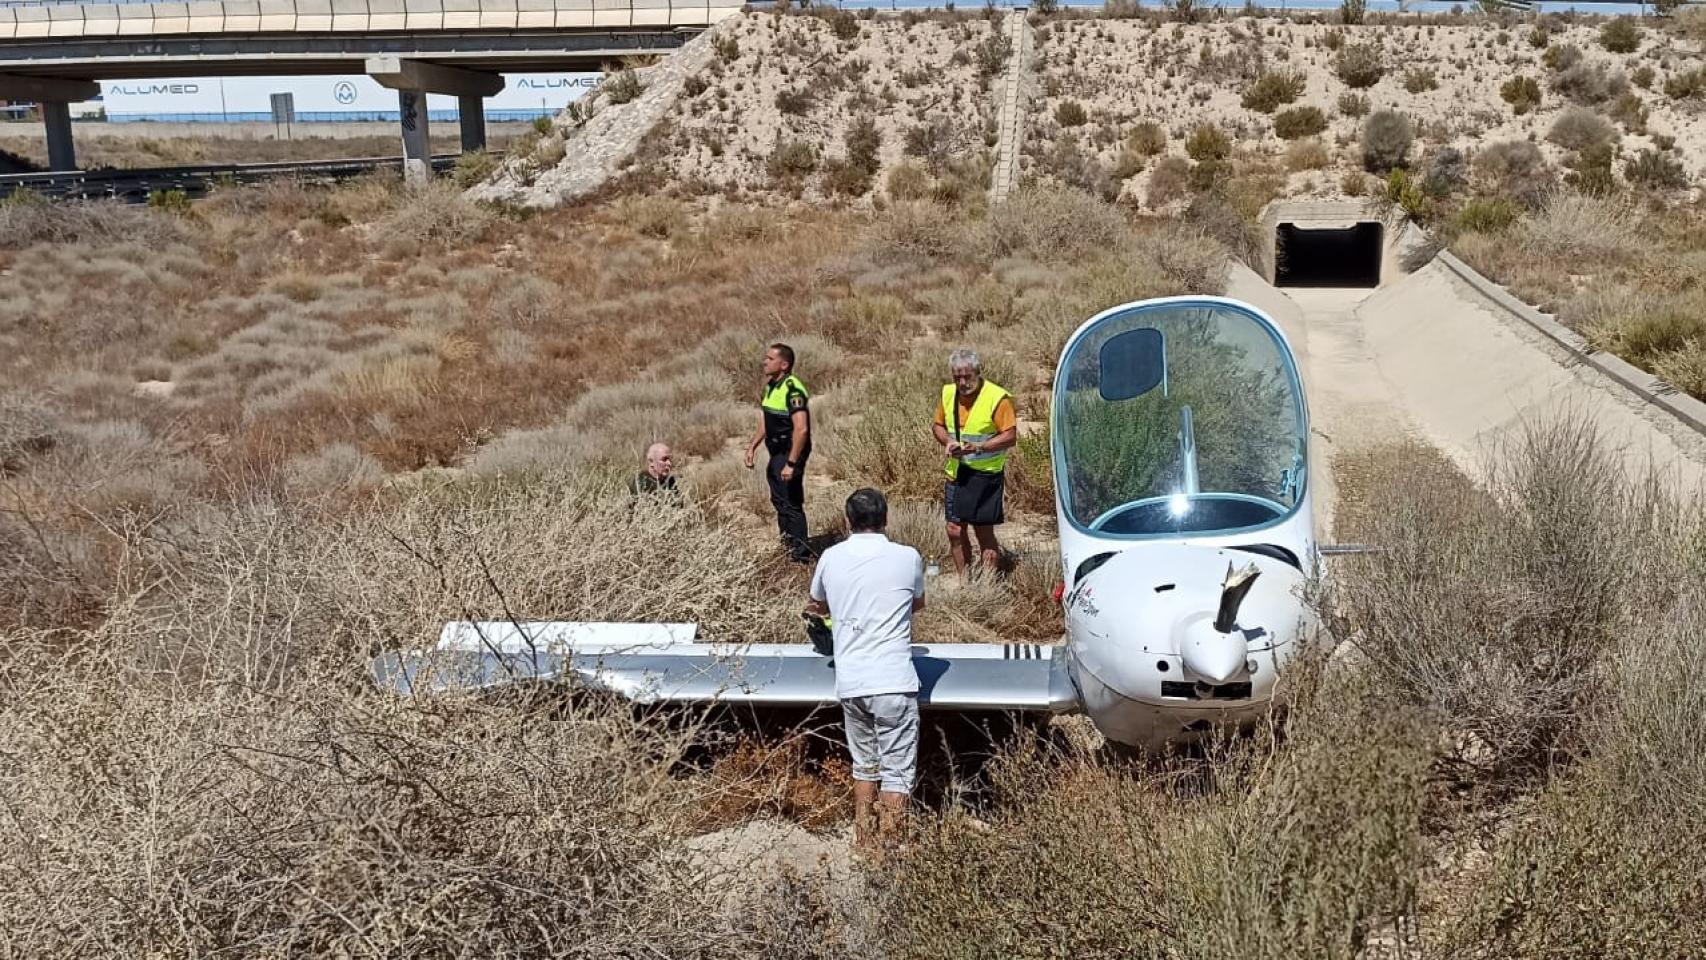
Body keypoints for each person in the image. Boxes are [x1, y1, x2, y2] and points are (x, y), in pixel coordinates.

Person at [805, 487, 926, 853]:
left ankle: (863, 838)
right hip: (893, 680)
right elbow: (917, 603)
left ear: (848, 521)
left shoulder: (830, 557)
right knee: (896, 771)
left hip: (852, 681)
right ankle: (889, 844)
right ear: (885, 519)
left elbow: (817, 603)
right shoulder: (907, 556)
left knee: (864, 766)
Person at [932, 348, 1017, 576]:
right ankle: (965, 583)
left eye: (967, 376)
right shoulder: (948, 394)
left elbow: (1010, 436)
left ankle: (987, 585)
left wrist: (979, 447)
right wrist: (948, 441)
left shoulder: (997, 398)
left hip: (985, 475)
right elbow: (937, 425)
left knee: (983, 533)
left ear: (978, 372)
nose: (962, 383)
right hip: (956, 473)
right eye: (957, 377)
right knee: (954, 530)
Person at [745, 342, 812, 562]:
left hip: (790, 451)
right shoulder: (771, 386)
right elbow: (766, 420)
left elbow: (801, 429)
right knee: (779, 499)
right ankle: (787, 546)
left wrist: (791, 463)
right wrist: (753, 446)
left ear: (784, 364)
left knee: (791, 502)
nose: (765, 362)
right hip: (776, 452)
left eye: (770, 359)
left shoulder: (793, 389)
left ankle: (801, 554)